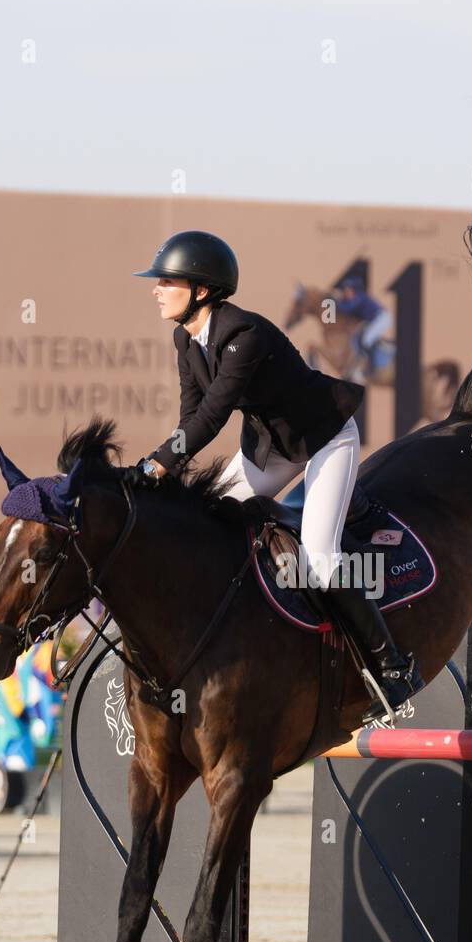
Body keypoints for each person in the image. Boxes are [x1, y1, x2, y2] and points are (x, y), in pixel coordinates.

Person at [132, 231, 424, 724]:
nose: (156, 289)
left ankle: (393, 668)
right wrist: (164, 469)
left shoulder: (245, 335)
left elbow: (213, 418)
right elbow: (190, 414)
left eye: (167, 281)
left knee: (320, 556)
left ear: (201, 290)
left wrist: (156, 465)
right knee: (211, 516)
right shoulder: (185, 338)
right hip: (273, 448)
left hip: (325, 438)